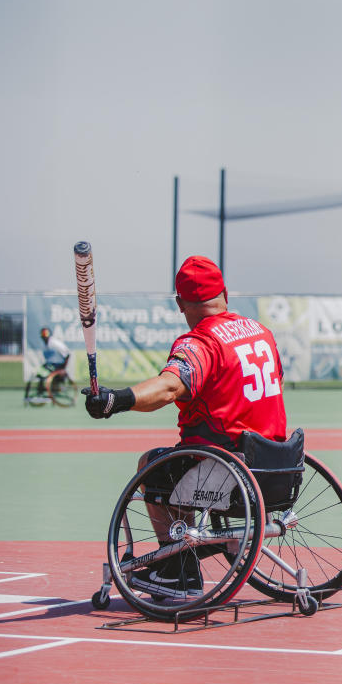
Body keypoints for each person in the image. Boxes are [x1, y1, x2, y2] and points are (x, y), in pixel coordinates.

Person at [82, 255, 287, 598]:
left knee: (152, 465)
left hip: (226, 468)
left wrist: (116, 400)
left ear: (180, 303)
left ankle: (179, 569)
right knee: (186, 462)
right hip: (276, 465)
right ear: (225, 293)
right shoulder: (261, 332)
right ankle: (185, 556)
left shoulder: (199, 342)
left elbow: (169, 387)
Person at [34, 327, 71, 396]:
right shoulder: (45, 345)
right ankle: (41, 390)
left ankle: (48, 390)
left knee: (44, 373)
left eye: (46, 334)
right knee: (40, 373)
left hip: (58, 364)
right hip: (50, 364)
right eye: (43, 335)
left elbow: (67, 353)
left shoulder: (54, 343)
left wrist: (63, 368)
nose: (44, 337)